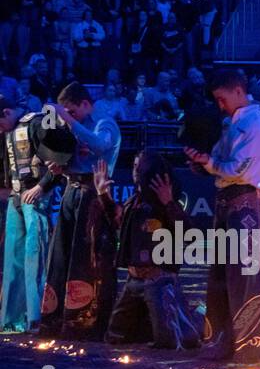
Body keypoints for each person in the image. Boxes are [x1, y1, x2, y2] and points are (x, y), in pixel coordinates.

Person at [183, 68, 260, 363]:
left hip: (246, 201)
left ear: (238, 92)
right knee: (223, 273)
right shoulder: (235, 122)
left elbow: (239, 169)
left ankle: (258, 341)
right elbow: (223, 161)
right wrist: (204, 163)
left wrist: (210, 163)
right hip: (230, 201)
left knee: (245, 273)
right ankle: (227, 339)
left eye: (222, 98)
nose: (220, 106)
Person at [39, 82, 121, 340]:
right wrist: (61, 166)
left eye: (72, 111)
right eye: (67, 113)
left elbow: (99, 146)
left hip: (94, 195)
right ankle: (59, 318)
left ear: (86, 104)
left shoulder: (105, 123)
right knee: (62, 254)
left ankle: (87, 322)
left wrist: (67, 120)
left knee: (87, 258)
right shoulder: (75, 124)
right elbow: (76, 155)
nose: (69, 116)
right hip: (71, 190)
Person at [98, 151, 201, 350]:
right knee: (114, 335)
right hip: (133, 281)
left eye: (140, 166)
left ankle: (191, 322)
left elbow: (190, 235)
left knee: (170, 341)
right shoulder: (132, 202)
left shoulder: (163, 204)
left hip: (158, 280)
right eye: (134, 165)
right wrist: (103, 195)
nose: (135, 171)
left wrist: (169, 202)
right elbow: (118, 223)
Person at [1, 101, 57, 333]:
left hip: (36, 198)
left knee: (34, 259)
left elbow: (59, 159)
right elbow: (7, 166)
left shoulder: (36, 123)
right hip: (17, 197)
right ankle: (12, 319)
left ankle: (35, 317)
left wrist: (41, 188)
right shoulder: (8, 132)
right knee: (12, 259)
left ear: (6, 112)